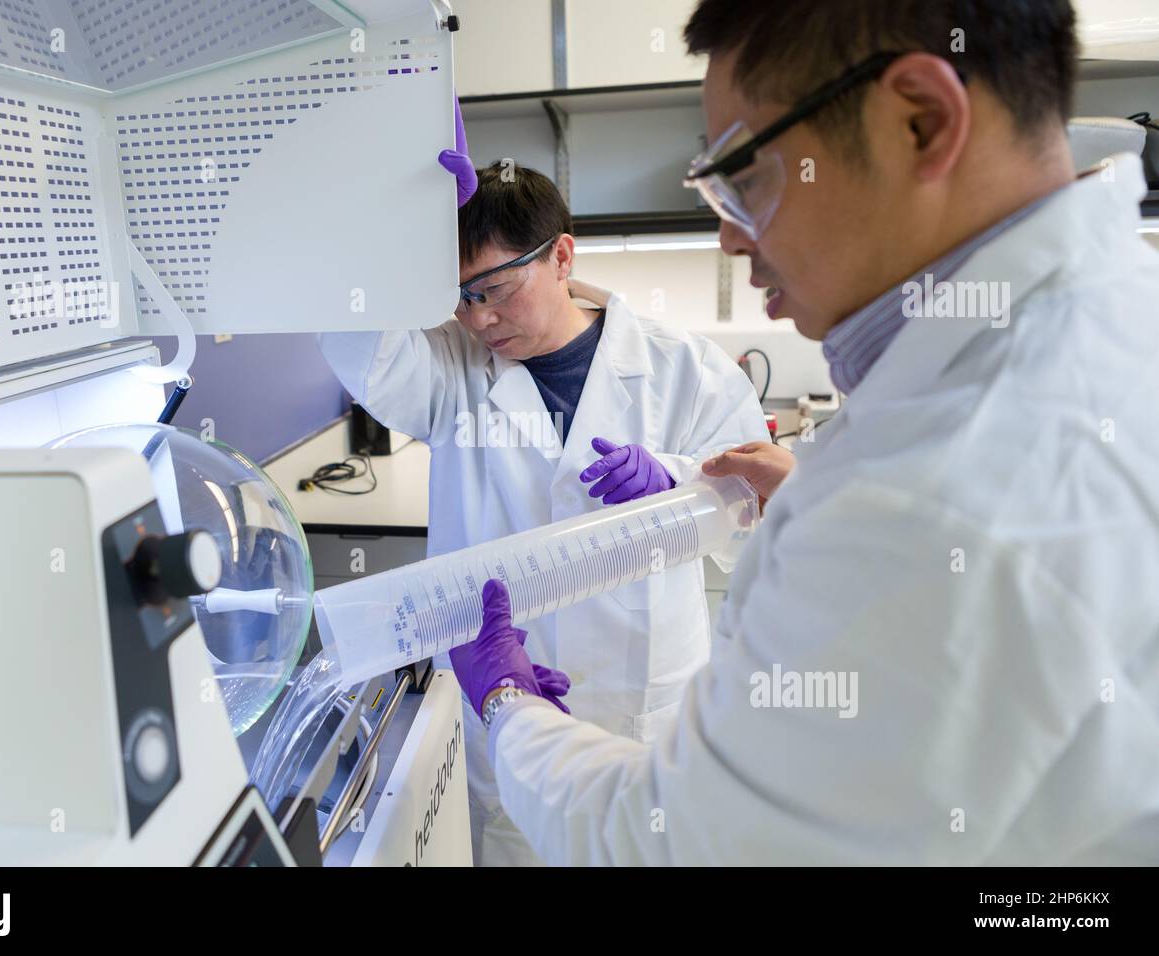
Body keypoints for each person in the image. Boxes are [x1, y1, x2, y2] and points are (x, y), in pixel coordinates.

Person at [451, 0, 1159, 865]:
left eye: (743, 176)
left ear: (920, 122)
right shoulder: (1119, 312)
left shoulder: (923, 494)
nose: (728, 232)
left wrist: (508, 705)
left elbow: (667, 844)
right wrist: (808, 498)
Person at [317, 163, 769, 865]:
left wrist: (681, 487)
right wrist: (386, 215)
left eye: (495, 291)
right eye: (462, 297)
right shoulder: (451, 367)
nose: (478, 318)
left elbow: (758, 524)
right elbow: (362, 353)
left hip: (640, 706)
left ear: (561, 256)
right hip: (498, 708)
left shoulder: (687, 369)